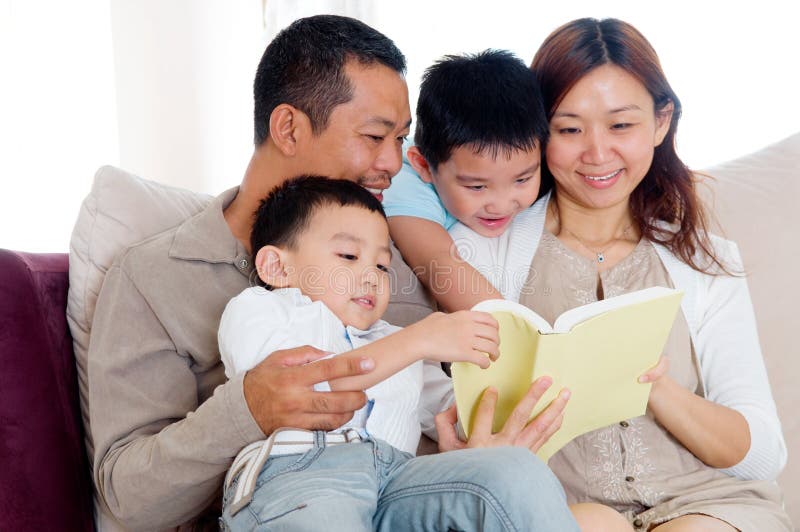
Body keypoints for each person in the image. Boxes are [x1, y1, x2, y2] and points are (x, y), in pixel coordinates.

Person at [85, 14, 568, 530]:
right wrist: (248, 409)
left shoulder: (391, 256)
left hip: (400, 492)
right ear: (289, 128)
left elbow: (426, 404)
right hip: (291, 502)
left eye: (400, 139)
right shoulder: (156, 277)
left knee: (518, 479)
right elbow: (130, 498)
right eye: (374, 136)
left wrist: (469, 454)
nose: (393, 163)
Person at [435, 17, 791, 531]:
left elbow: (762, 454)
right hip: (561, 507)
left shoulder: (706, 260)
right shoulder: (479, 254)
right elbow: (434, 405)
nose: (598, 154)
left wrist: (653, 386)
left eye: (621, 126)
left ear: (661, 122)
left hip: (709, 501)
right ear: (538, 134)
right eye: (569, 129)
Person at [215, 175, 578, 530]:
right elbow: (297, 390)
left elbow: (452, 406)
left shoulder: (396, 340)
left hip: (398, 477)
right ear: (277, 267)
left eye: (381, 265)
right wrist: (418, 340)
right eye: (348, 255)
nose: (371, 276)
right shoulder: (261, 309)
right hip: (300, 472)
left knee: (516, 471)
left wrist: (500, 413)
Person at [383, 49, 548, 310]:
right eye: (477, 187)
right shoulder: (403, 184)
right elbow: (440, 264)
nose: (501, 205)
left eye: (522, 180)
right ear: (424, 166)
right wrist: (515, 327)